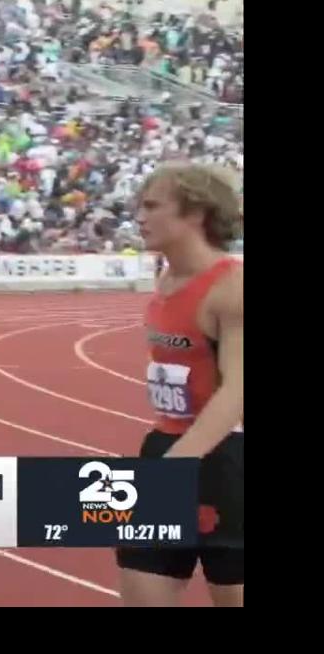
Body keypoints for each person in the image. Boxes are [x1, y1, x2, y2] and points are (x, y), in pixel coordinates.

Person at [116, 162, 243, 607]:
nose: (140, 216)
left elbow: (237, 392)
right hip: (163, 446)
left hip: (226, 462)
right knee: (140, 588)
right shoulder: (165, 279)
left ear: (196, 213)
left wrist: (178, 462)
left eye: (152, 206)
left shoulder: (233, 287)